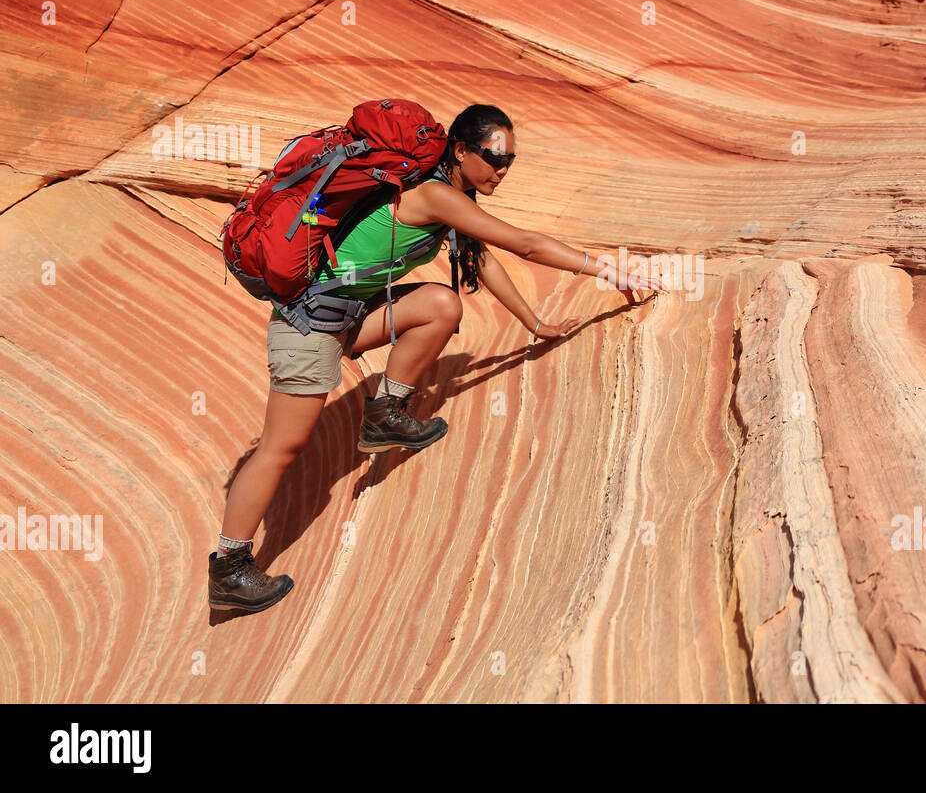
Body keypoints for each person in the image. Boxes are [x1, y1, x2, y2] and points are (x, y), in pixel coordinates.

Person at [209, 103, 667, 613]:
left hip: (351, 317)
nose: (502, 169)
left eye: (511, 160)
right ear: (461, 149)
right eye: (494, 157)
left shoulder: (450, 196)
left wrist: (533, 325)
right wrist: (609, 271)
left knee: (440, 305)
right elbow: (526, 245)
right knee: (281, 447)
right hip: (310, 325)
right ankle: (230, 567)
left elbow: (485, 258)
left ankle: (384, 415)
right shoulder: (431, 194)